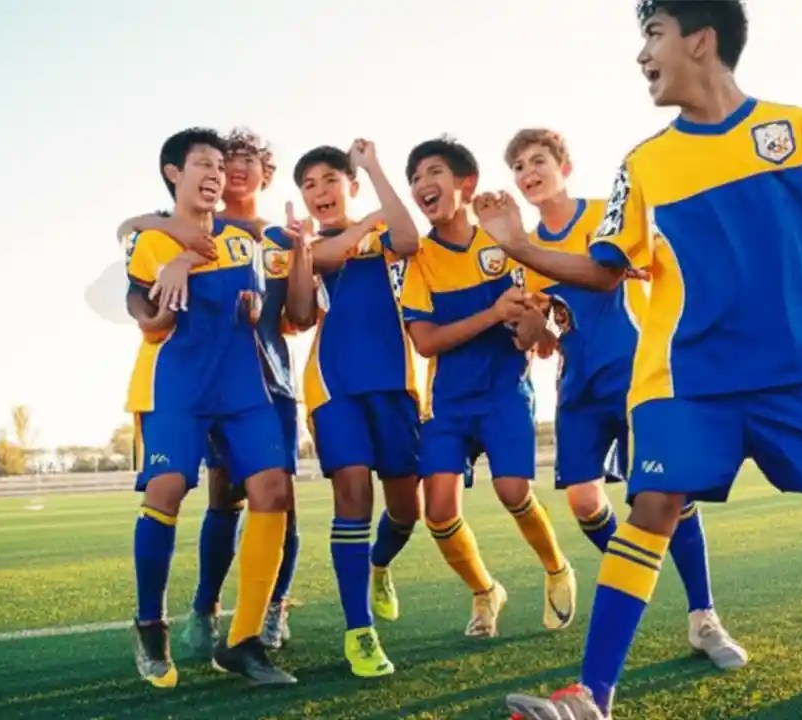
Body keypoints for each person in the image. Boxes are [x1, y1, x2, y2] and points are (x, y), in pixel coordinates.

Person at [481, 3, 802, 717]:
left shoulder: (794, 129)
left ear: (701, 41)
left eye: (653, 34)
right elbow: (605, 270)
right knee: (652, 508)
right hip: (686, 378)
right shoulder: (644, 162)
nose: (642, 55)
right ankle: (591, 695)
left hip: (798, 369)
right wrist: (519, 247)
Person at [502, 127, 747, 671]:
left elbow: (632, 273)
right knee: (583, 502)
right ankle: (636, 572)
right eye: (518, 167)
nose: (528, 173)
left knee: (669, 494)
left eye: (538, 160)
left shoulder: (606, 215)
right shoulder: (524, 247)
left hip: (639, 372)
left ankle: (704, 616)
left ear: (565, 166)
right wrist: (528, 323)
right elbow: (537, 338)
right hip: (579, 384)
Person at [116, 128, 305, 655]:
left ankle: (255, 628)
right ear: (175, 173)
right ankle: (169, 620)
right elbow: (139, 288)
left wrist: (300, 256)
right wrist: (170, 273)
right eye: (212, 163)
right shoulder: (159, 234)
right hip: (185, 383)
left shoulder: (258, 239)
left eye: (229, 165)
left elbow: (290, 309)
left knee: (276, 495)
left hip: (256, 382)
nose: (224, 172)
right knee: (186, 491)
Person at [397, 136, 576, 639]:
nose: (422, 184)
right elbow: (426, 342)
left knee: (513, 490)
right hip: (448, 402)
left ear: (466, 183)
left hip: (503, 394)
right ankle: (484, 591)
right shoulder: (419, 259)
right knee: (437, 513)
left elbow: (534, 339)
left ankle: (557, 568)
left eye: (433, 172)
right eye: (415, 178)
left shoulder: (502, 243)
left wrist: (530, 321)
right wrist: (494, 313)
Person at [282, 140, 424, 677]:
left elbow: (409, 239)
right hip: (334, 385)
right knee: (353, 494)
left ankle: (378, 564)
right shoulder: (306, 244)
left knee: (407, 510)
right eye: (308, 184)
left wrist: (374, 166)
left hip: (394, 382)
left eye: (330, 180)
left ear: (352, 185)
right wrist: (306, 249)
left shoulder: (385, 234)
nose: (319, 191)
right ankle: (358, 631)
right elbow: (300, 312)